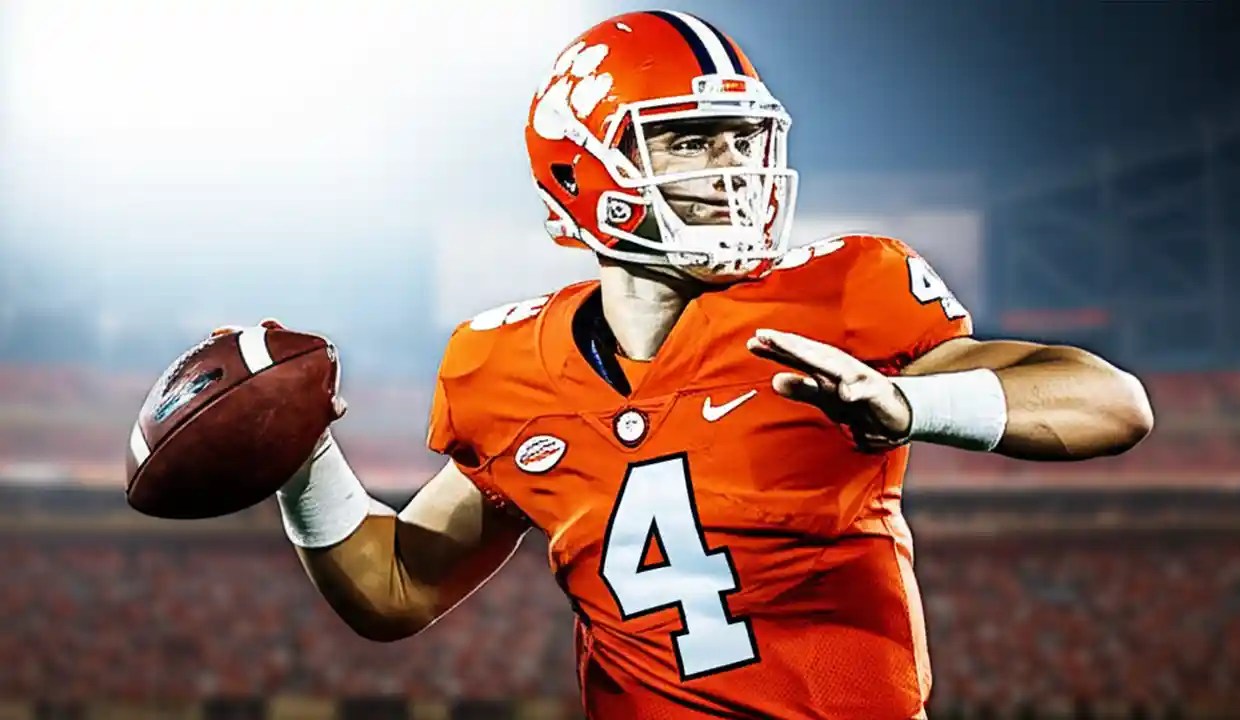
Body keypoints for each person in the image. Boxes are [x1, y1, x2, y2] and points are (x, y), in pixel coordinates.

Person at [266, 11, 1153, 719]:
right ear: (581, 173)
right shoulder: (500, 368)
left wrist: (912, 406)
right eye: (692, 142)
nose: (736, 170)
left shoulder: (842, 298)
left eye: (743, 137)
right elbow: (396, 587)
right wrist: (299, 456)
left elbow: (1113, 404)